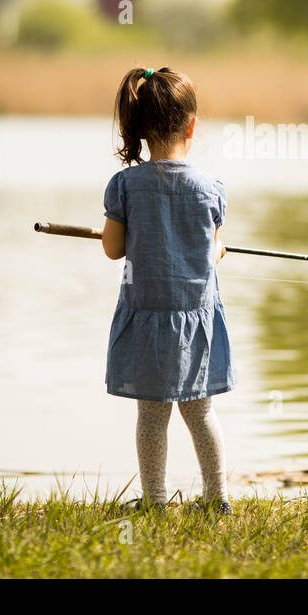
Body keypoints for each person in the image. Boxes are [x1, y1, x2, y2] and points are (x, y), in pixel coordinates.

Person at [101, 67, 233, 513]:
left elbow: (113, 249)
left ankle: (155, 504)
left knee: (151, 416)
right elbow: (210, 254)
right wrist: (220, 247)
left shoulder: (126, 185)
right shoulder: (211, 189)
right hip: (196, 318)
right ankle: (218, 499)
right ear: (191, 125)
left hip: (148, 317)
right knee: (201, 413)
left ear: (138, 126)